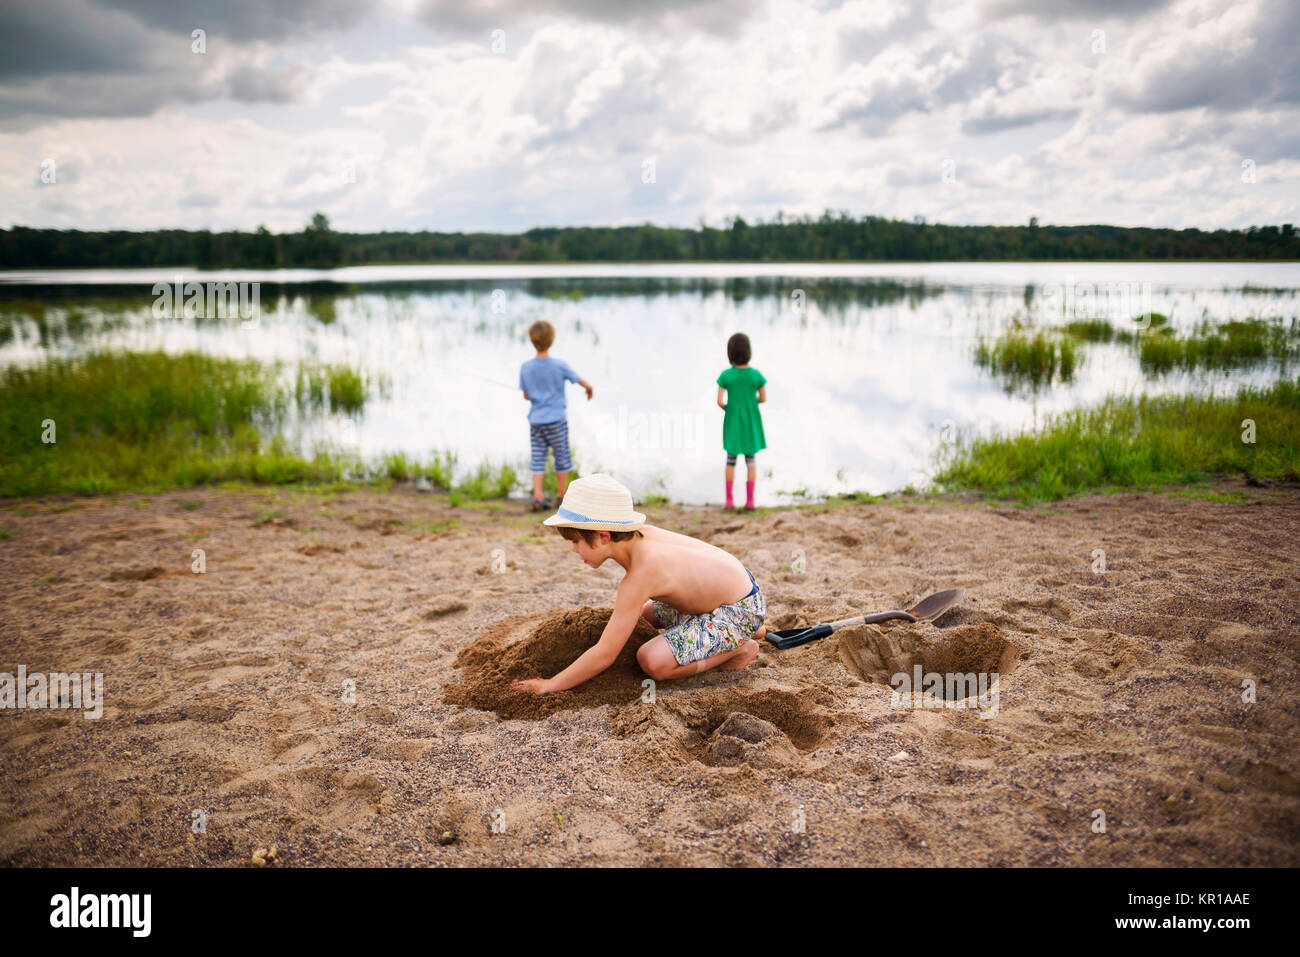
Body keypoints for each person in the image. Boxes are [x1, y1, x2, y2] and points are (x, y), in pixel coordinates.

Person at [511, 474, 767, 693]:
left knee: (652, 660)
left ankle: (739, 648)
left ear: (602, 537)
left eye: (575, 541)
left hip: (738, 609)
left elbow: (604, 654)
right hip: (738, 592)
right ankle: (741, 631)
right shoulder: (642, 534)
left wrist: (550, 685)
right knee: (643, 615)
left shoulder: (642, 573)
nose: (574, 550)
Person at [519, 319, 593, 512]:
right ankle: (562, 496)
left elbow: (526, 395)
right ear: (551, 340)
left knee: (537, 458)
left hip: (536, 421)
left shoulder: (526, 367)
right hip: (557, 421)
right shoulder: (559, 365)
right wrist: (589, 388)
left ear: (532, 341)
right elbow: (579, 380)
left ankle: (538, 496)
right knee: (562, 457)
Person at [717, 332, 766, 510]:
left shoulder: (726, 376)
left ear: (730, 353)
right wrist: (752, 404)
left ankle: (729, 501)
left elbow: (720, 401)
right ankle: (750, 501)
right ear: (748, 352)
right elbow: (763, 398)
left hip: (733, 423)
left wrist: (730, 409)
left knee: (730, 461)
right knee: (751, 461)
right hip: (751, 424)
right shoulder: (756, 375)